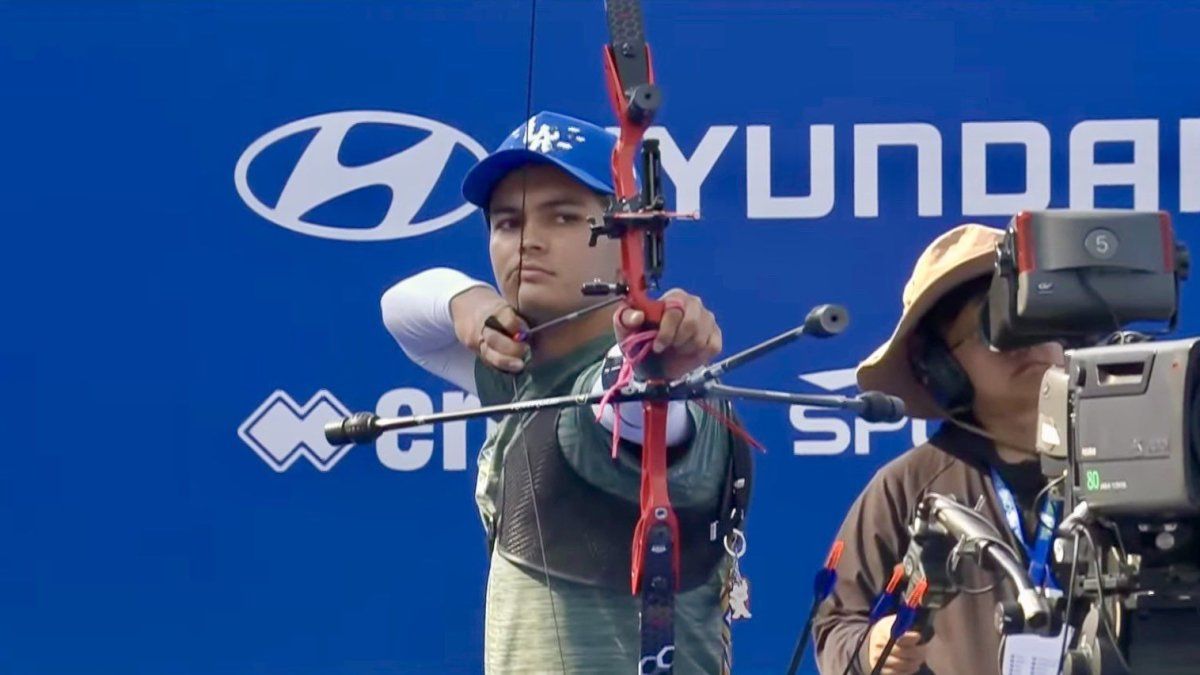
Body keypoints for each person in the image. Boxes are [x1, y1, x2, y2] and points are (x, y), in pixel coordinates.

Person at [380, 111, 753, 674]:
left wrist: (656, 368)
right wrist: (472, 304)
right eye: (507, 223)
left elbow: (625, 405)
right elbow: (402, 312)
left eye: (563, 217)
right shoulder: (518, 368)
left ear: (637, 236)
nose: (528, 241)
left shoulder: (661, 392)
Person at [812, 224, 1069, 674]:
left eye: (1034, 316)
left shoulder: (1142, 458)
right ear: (941, 366)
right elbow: (836, 625)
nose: (1026, 339)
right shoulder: (908, 488)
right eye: (997, 326)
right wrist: (870, 647)